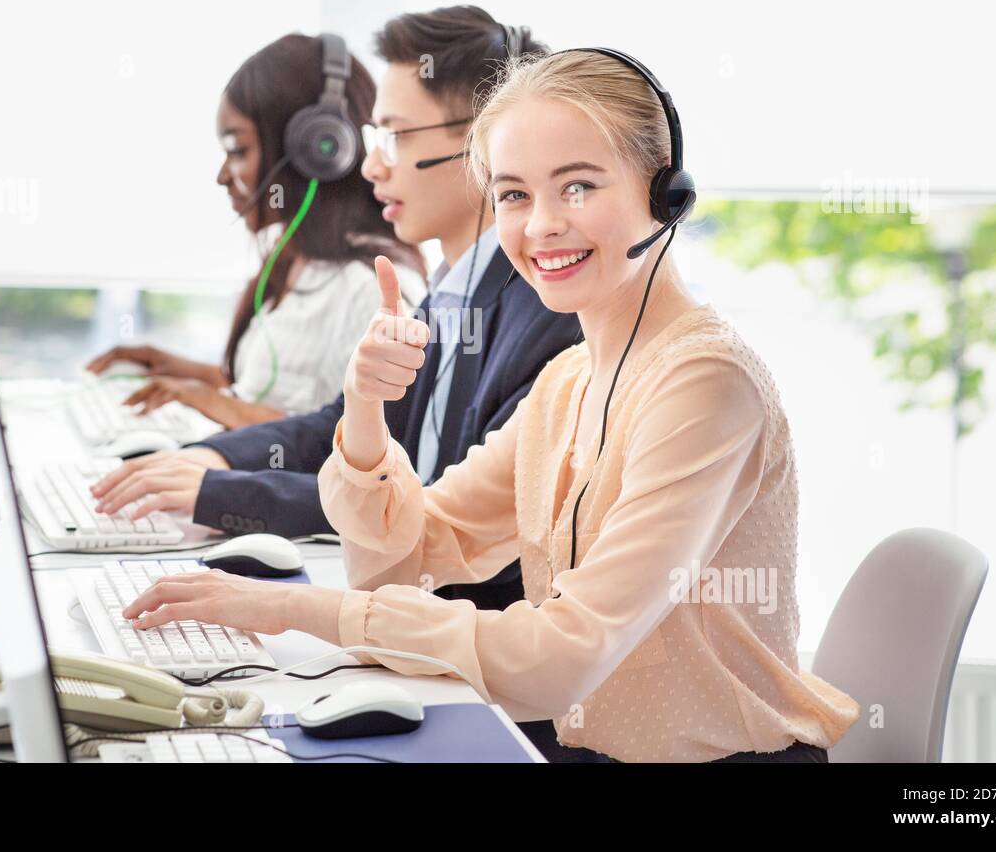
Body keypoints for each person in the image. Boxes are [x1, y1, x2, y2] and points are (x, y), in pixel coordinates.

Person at [118, 47, 861, 763]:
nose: (540, 225)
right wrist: (367, 411)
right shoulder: (570, 380)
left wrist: (291, 610)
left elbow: (564, 658)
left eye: (578, 186)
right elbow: (407, 559)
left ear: (664, 192)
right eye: (513, 194)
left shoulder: (705, 386)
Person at [92, 6, 583, 612]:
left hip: (473, 655)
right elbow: (348, 427)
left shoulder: (554, 321)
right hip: (409, 617)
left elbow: (436, 510)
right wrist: (212, 459)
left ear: (490, 142)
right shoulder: (459, 292)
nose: (371, 164)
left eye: (397, 137)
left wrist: (224, 493)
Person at [86, 33, 426, 428]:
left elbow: (359, 446)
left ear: (316, 149)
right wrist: (181, 372)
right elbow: (271, 396)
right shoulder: (295, 261)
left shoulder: (368, 287)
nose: (221, 177)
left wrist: (203, 399)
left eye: (238, 151)